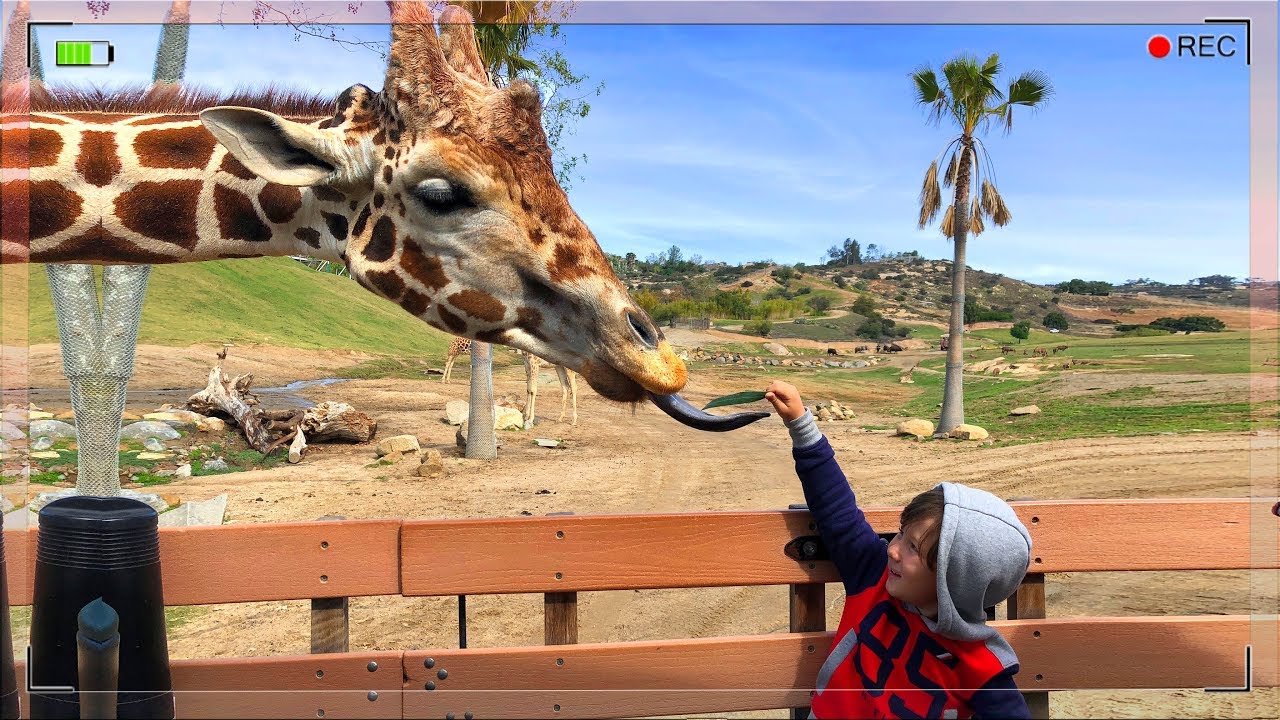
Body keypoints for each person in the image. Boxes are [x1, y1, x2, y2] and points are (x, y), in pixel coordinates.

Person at [764, 380, 1033, 720]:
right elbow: (837, 513)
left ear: (953, 581)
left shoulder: (983, 669)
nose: (892, 550)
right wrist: (801, 424)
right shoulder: (873, 577)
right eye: (901, 535)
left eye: (913, 548)